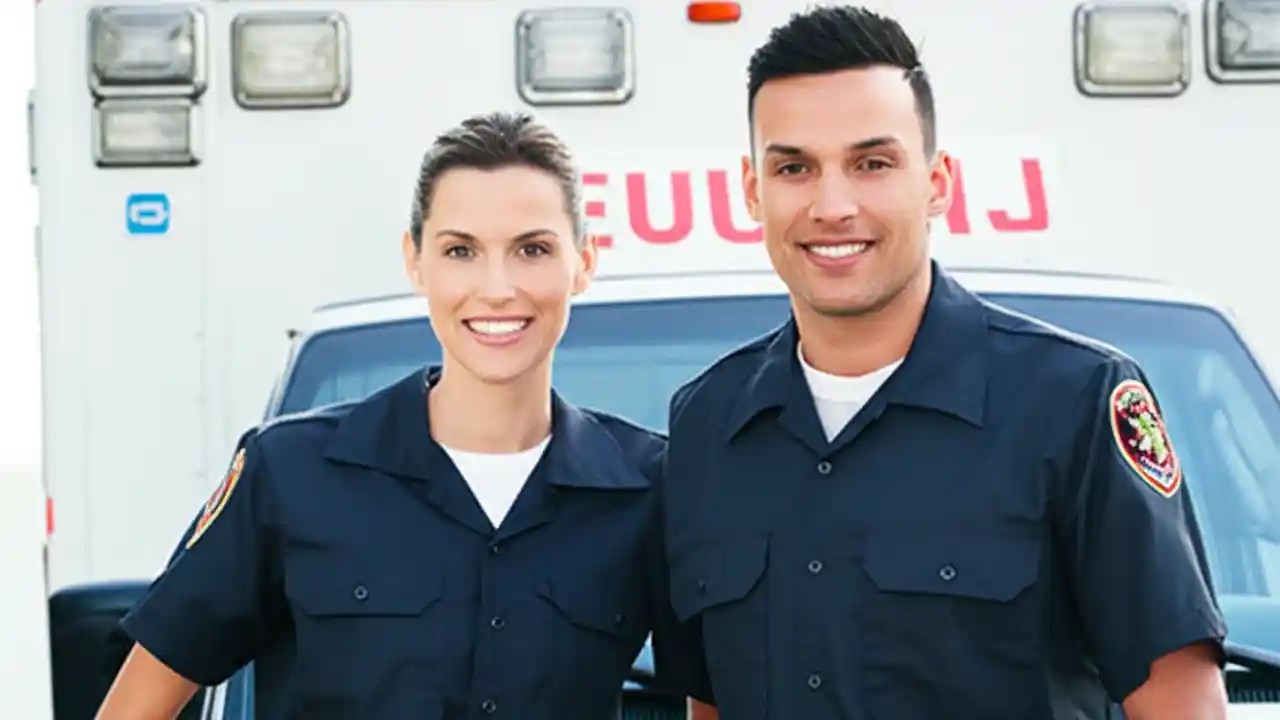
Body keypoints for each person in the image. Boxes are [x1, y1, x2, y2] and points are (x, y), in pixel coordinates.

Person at [665, 6, 1229, 720]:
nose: (832, 205)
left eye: (872, 163)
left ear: (937, 182)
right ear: (752, 191)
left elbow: (1184, 707)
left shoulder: (1074, 403)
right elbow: (709, 704)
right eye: (794, 168)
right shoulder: (706, 426)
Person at [97, 111, 698, 719]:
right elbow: (133, 709)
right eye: (460, 250)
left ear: (584, 263)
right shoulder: (290, 473)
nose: (496, 287)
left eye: (533, 249)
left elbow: (714, 699)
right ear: (415, 261)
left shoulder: (653, 491)